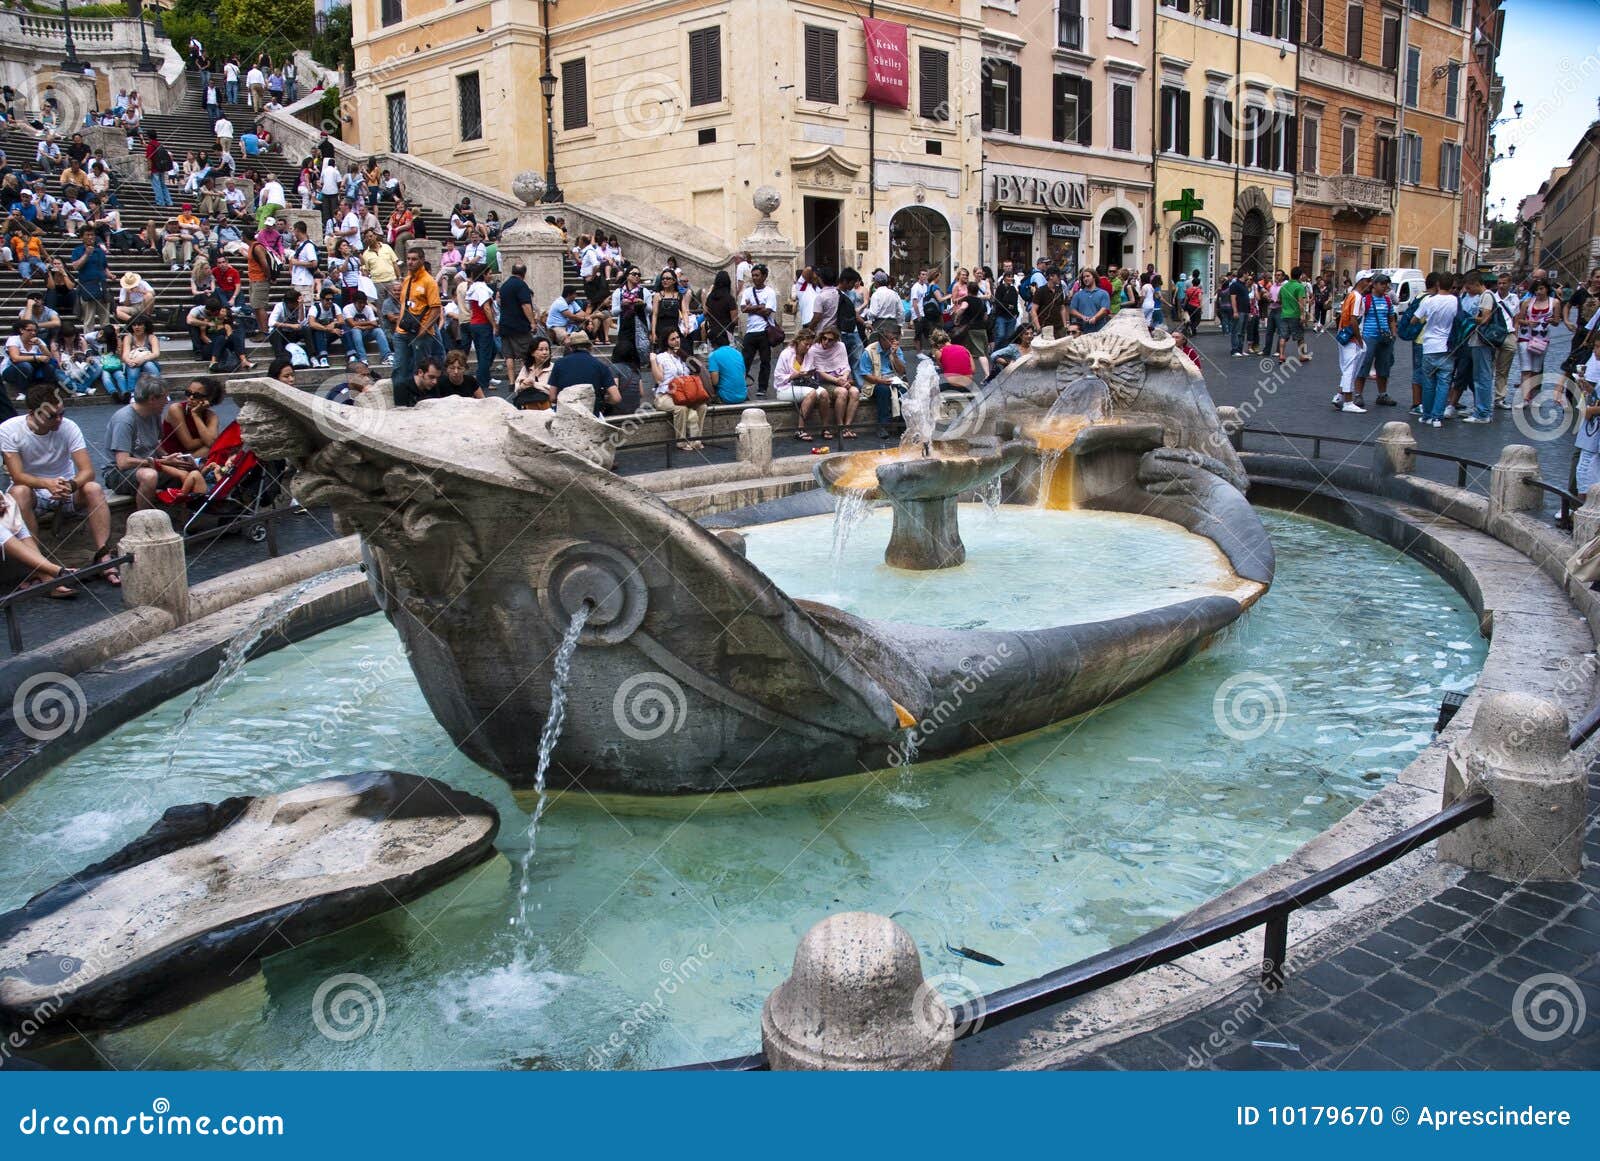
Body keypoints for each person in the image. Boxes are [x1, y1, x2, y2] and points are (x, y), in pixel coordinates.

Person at [1, 384, 117, 587]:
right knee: (19, 493)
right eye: (52, 416)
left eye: (62, 413)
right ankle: (40, 565)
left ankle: (103, 555)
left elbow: (87, 471)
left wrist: (71, 485)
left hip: (65, 487)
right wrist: (46, 484)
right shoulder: (9, 429)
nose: (59, 419)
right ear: (33, 414)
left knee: (94, 489)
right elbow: (18, 475)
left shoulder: (68, 427)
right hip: (33, 490)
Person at [105, 377, 202, 509]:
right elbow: (123, 463)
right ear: (152, 399)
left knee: (189, 471)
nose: (167, 403)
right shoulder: (124, 420)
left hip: (149, 464)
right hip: (118, 473)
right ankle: (145, 521)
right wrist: (161, 462)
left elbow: (155, 443)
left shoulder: (154, 413)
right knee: (149, 476)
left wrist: (169, 457)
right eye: (165, 398)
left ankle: (185, 517)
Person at [393, 247, 443, 406]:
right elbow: (403, 305)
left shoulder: (429, 281)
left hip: (422, 333)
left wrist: (424, 329)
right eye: (408, 259)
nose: (410, 262)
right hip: (403, 331)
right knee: (399, 368)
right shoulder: (407, 280)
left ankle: (420, 402)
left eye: (414, 259)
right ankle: (400, 403)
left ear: (422, 260)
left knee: (419, 370)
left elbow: (436, 308)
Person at [1412, 272, 1460, 428]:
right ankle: (1437, 417)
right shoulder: (1455, 301)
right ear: (1452, 285)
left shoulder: (1428, 301)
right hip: (1447, 346)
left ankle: (1426, 415)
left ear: (1438, 284)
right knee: (1444, 383)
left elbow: (1415, 319)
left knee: (1428, 383)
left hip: (1429, 346)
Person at [647, 331, 704, 450]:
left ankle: (696, 440)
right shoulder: (661, 357)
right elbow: (659, 379)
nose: (677, 340)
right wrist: (653, 361)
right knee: (681, 408)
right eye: (672, 339)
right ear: (666, 342)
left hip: (685, 393)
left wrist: (682, 354)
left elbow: (697, 368)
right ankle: (681, 442)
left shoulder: (682, 356)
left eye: (678, 337)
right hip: (664, 396)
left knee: (702, 406)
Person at [1455, 269, 1496, 424]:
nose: (1467, 290)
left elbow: (1485, 319)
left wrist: (1471, 318)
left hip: (1482, 341)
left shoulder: (1486, 296)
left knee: (1482, 377)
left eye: (1469, 287)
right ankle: (1480, 409)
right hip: (1479, 342)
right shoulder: (1487, 295)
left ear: (1475, 284)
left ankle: (1483, 412)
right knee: (1479, 376)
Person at [804, 326, 857, 438]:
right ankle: (840, 426)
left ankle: (847, 426)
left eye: (830, 340)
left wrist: (844, 377)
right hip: (825, 381)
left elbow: (846, 365)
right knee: (842, 392)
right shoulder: (814, 349)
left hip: (841, 378)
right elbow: (819, 372)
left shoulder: (841, 346)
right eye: (824, 338)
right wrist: (838, 381)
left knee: (855, 392)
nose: (826, 342)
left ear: (836, 340)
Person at [548, 329, 619, 413]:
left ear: (570, 347)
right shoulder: (601, 365)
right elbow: (616, 398)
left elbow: (552, 397)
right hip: (591, 415)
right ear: (590, 347)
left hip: (566, 414)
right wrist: (601, 402)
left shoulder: (558, 364)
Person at [1353, 274, 1399, 405]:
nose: (1386, 287)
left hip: (1385, 338)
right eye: (1383, 284)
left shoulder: (1387, 300)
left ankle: (1382, 394)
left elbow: (1391, 319)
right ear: (1374, 285)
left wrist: (1393, 334)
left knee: (1384, 367)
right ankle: (1358, 395)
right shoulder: (1365, 300)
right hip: (1368, 337)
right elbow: (1358, 318)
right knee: (1364, 365)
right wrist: (1359, 337)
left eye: (1387, 284)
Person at [857, 327, 908, 438]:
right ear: (881, 340)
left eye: (894, 339)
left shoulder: (896, 350)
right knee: (883, 390)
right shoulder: (869, 351)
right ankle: (882, 425)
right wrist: (881, 381)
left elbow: (901, 371)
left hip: (893, 380)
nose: (893, 342)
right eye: (890, 339)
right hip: (875, 382)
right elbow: (865, 374)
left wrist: (894, 355)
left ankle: (902, 425)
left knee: (904, 391)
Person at [1515, 279, 1557, 408]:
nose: (1538, 292)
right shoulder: (1527, 302)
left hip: (1542, 339)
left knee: (1536, 370)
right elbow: (1519, 319)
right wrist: (1528, 323)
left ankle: (1532, 396)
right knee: (1526, 369)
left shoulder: (1554, 303)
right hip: (1525, 337)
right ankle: (1525, 398)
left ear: (1547, 289)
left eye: (1541, 289)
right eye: (1536, 289)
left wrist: (1552, 320)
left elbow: (1556, 321)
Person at [739, 264, 779, 397]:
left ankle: (762, 387)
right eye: (753, 275)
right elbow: (743, 308)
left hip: (764, 331)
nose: (754, 278)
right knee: (745, 361)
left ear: (764, 276)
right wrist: (759, 306)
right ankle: (740, 385)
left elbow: (768, 311)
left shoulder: (770, 292)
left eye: (757, 275)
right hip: (750, 331)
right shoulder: (747, 291)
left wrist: (752, 307)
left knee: (765, 361)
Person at [1333, 272, 1370, 414]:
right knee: (1350, 369)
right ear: (1361, 281)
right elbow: (1354, 319)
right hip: (1351, 337)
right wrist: (1359, 338)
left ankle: (1340, 395)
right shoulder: (1358, 297)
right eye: (1368, 280)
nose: (1370, 283)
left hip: (1345, 335)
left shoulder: (1351, 295)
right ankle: (1348, 401)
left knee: (1348, 367)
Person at [160, 376, 224, 458]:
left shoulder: (211, 416)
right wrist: (209, 438)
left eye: (196, 395)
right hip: (172, 457)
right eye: (188, 393)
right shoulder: (176, 409)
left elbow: (211, 443)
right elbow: (189, 444)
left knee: (213, 449)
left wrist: (195, 415)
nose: (191, 398)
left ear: (208, 399)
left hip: (193, 455)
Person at [1576, 330, 1600, 494]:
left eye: (1598, 347)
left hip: (1594, 435)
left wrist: (1591, 410)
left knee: (1587, 473)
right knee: (1585, 471)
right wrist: (1589, 389)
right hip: (1592, 434)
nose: (1595, 351)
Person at [512, 337, 557, 409]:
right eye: (541, 349)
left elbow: (553, 391)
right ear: (532, 353)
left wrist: (534, 384)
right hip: (528, 405)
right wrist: (522, 385)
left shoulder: (554, 368)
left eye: (547, 349)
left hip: (549, 407)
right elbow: (517, 388)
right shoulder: (526, 368)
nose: (545, 352)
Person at [704, 330, 747, 405]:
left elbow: (715, 382)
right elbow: (743, 375)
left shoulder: (714, 355)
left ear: (712, 343)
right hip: (743, 395)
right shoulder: (738, 353)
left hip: (726, 397)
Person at [1276, 267, 1309, 363]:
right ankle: (1302, 356)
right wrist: (1302, 315)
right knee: (1300, 337)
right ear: (1300, 276)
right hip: (1295, 315)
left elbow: (1279, 300)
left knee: (1283, 336)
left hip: (1284, 314)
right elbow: (1301, 303)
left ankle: (1281, 355)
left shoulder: (1284, 287)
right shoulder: (1300, 287)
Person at [1068, 268, 1110, 334]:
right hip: (1083, 330)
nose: (1085, 279)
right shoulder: (1078, 295)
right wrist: (1082, 316)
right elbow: (1072, 310)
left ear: (1094, 277)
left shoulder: (1103, 293)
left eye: (1088, 276)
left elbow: (1104, 309)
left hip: (1100, 329)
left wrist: (1095, 318)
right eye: (1084, 277)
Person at [1030, 267, 1067, 334]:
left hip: (1059, 326)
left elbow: (1062, 308)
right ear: (1051, 276)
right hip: (1045, 327)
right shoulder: (1041, 291)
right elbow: (1033, 310)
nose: (1060, 278)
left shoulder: (1059, 290)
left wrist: (1065, 325)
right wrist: (1038, 326)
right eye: (1058, 276)